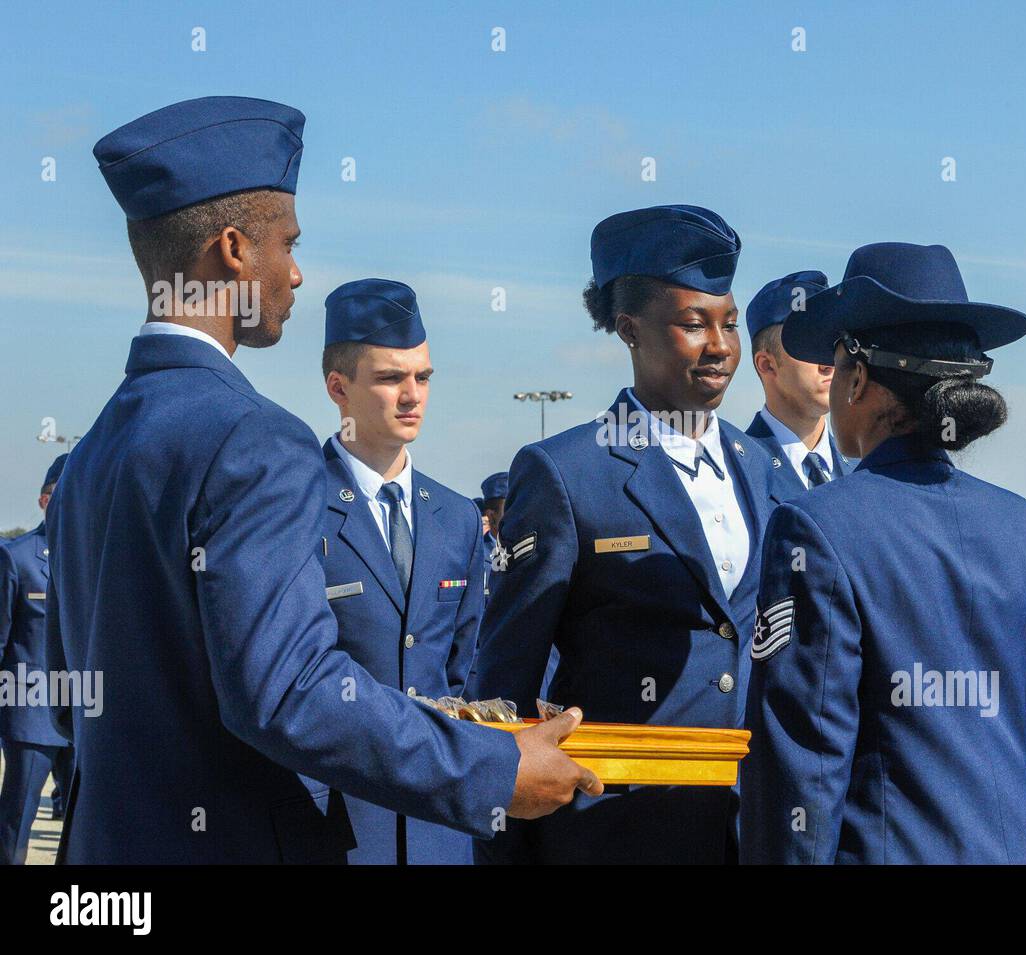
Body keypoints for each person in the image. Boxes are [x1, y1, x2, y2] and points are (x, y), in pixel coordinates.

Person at [43, 95, 598, 863]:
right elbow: (290, 692)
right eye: (287, 243)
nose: (297, 272)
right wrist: (494, 767)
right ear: (234, 250)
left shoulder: (98, 445)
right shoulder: (252, 436)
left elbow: (80, 698)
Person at [740, 242, 1026, 864]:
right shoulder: (1024, 526)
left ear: (861, 377)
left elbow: (805, 757)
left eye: (837, 363)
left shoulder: (816, 527)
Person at [467, 204, 781, 864]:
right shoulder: (566, 472)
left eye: (728, 322)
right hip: (616, 834)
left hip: (755, 832)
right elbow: (506, 684)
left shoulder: (767, 470)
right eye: (693, 323)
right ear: (630, 328)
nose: (721, 346)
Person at [318, 278, 490, 864]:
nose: (412, 395)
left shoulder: (457, 517)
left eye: (422, 377)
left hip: (439, 818)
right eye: (390, 378)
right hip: (336, 818)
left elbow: (468, 668)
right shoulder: (294, 506)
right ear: (338, 387)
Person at [0, 455, 73, 864]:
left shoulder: (95, 555)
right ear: (45, 501)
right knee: (17, 821)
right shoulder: (18, 557)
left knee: (84, 824)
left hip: (86, 709)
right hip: (30, 713)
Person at [744, 271, 847, 496]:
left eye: (833, 344)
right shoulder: (736, 470)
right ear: (767, 365)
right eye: (809, 347)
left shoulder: (864, 466)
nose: (829, 363)